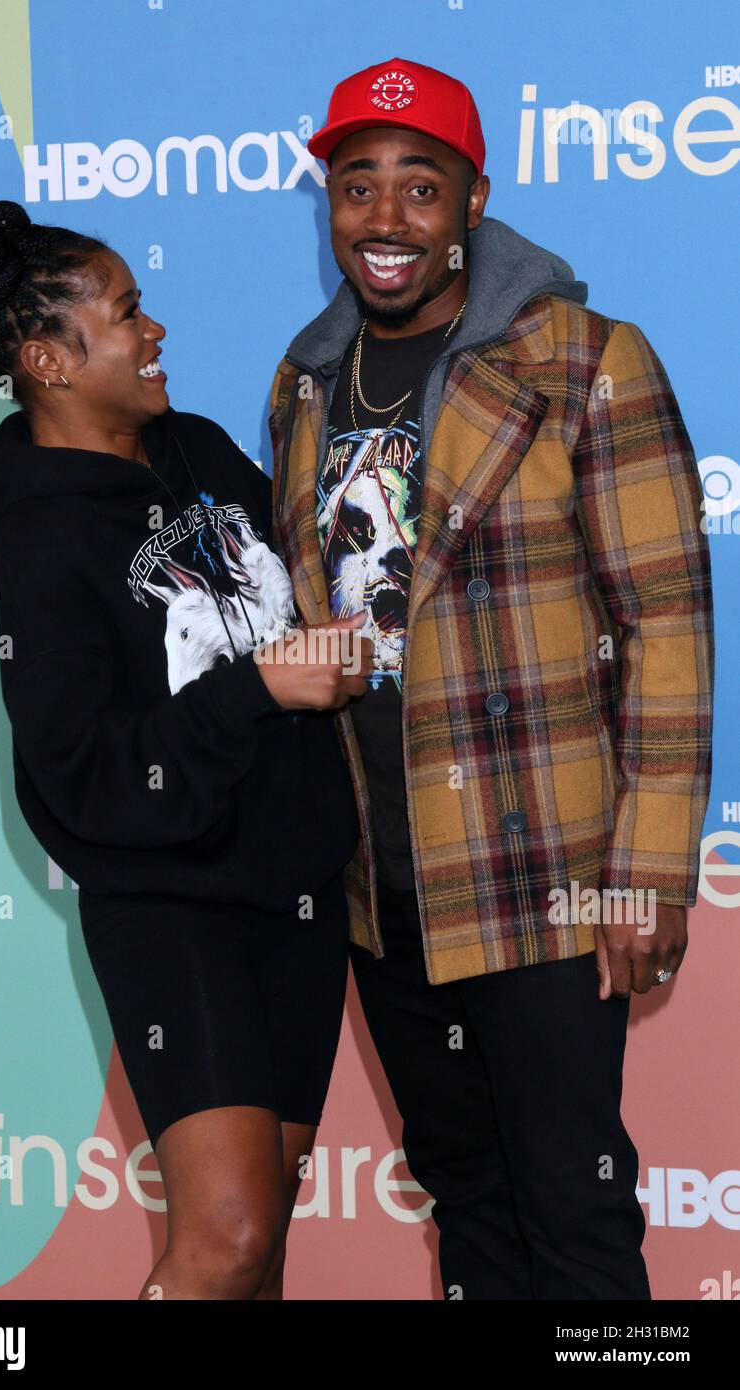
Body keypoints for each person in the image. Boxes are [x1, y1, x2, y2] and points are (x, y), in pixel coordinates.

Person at [269, 59, 714, 1299]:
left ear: (473, 198)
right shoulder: (305, 386)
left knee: (572, 1210)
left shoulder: (584, 361)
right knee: (462, 1200)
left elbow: (666, 620)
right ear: (329, 206)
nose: (385, 218)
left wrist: (646, 867)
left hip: (545, 871)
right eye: (357, 186)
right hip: (382, 882)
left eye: (420, 185)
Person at [0, 199, 373, 1300]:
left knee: (260, 1249)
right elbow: (82, 772)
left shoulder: (195, 449)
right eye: (127, 314)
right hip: (172, 904)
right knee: (221, 1242)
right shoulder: (40, 541)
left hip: (295, 885)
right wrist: (254, 689)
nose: (155, 332)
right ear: (45, 358)